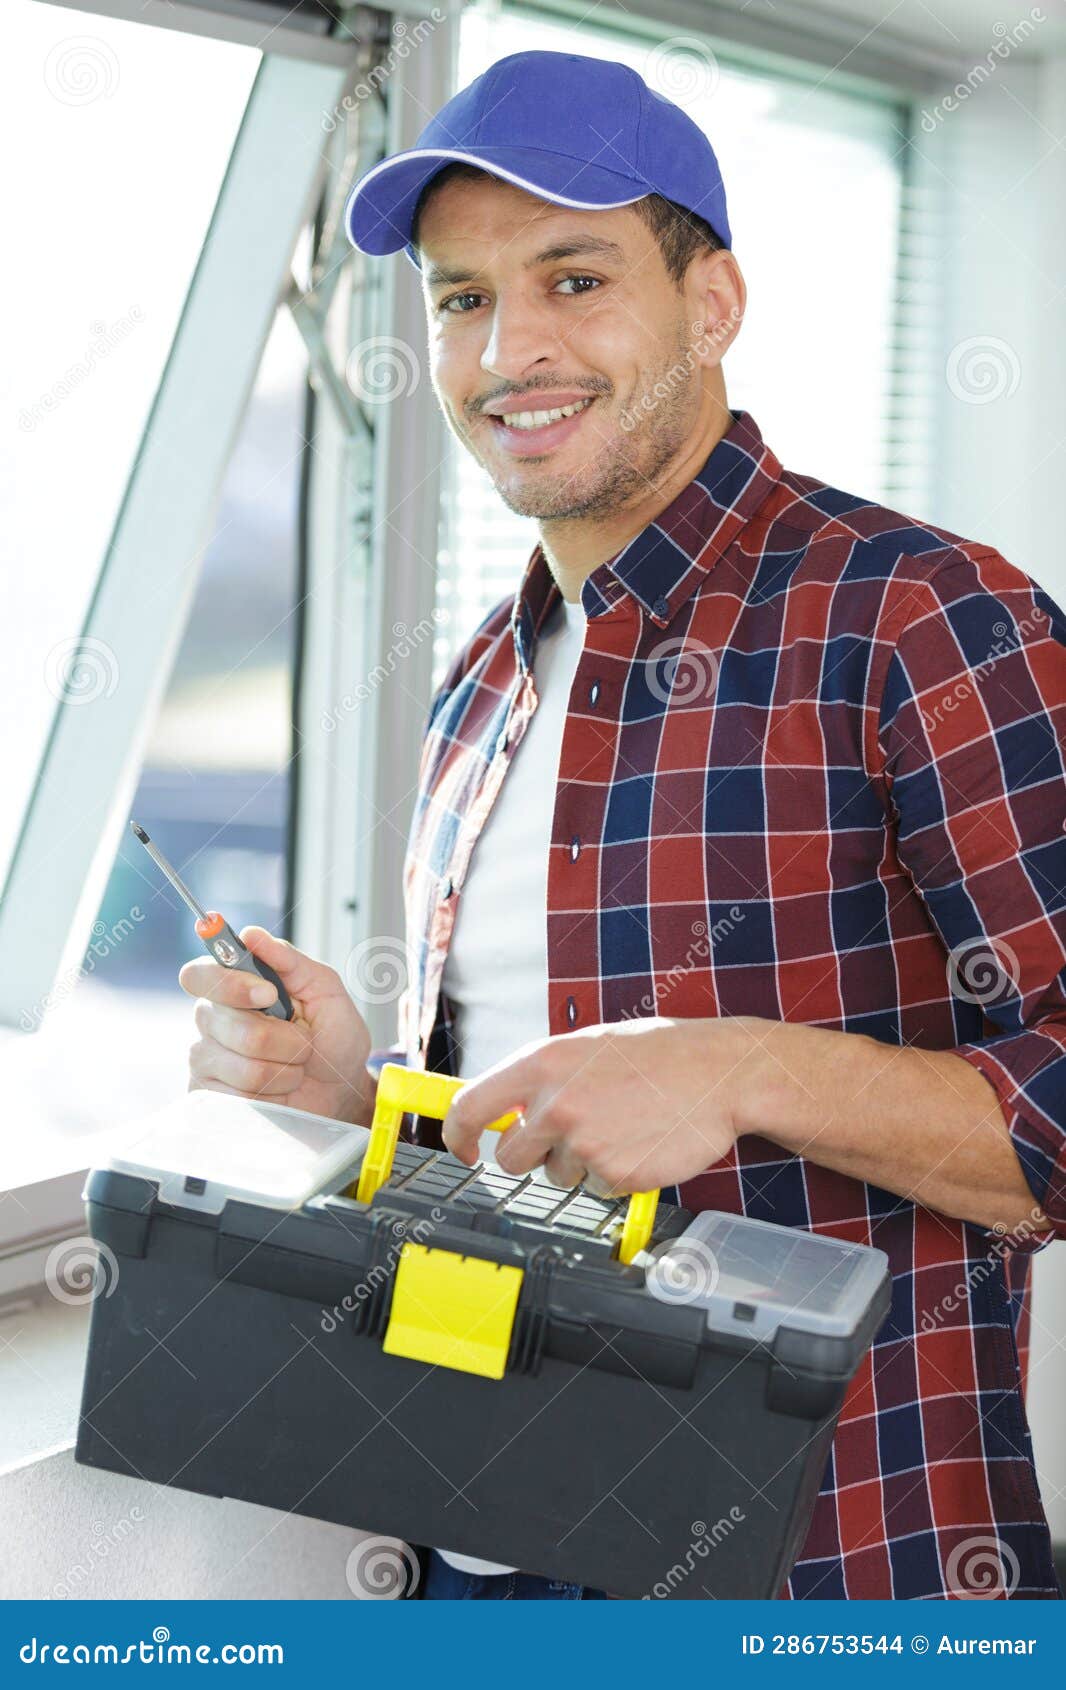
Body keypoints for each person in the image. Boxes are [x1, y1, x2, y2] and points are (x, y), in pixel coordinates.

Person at [181, 49, 1066, 1600]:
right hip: (477, 1561)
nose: (506, 348)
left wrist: (733, 1068)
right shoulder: (478, 687)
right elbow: (533, 1143)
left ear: (711, 303)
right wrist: (353, 1097)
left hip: (825, 1577)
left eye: (573, 279)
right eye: (461, 298)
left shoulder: (923, 618)